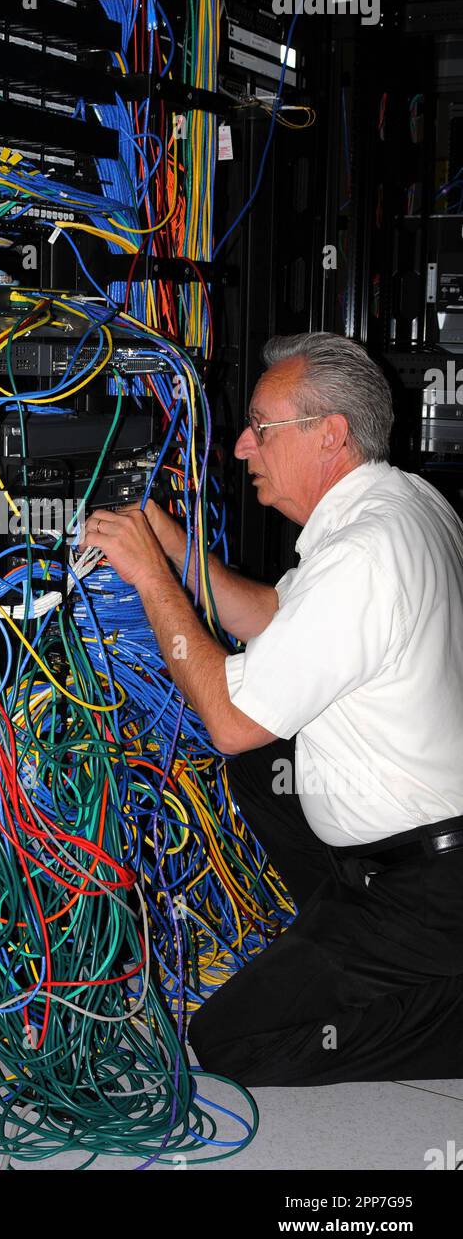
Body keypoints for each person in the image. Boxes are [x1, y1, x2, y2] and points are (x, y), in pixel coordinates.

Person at [80, 331, 463, 1086]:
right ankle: (341, 933)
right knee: (266, 766)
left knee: (232, 1040)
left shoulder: (361, 552)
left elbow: (227, 723)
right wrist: (174, 547)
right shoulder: (399, 501)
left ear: (329, 435)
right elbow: (272, 618)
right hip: (412, 848)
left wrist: (153, 582)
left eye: (261, 426)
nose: (241, 445)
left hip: (427, 885)